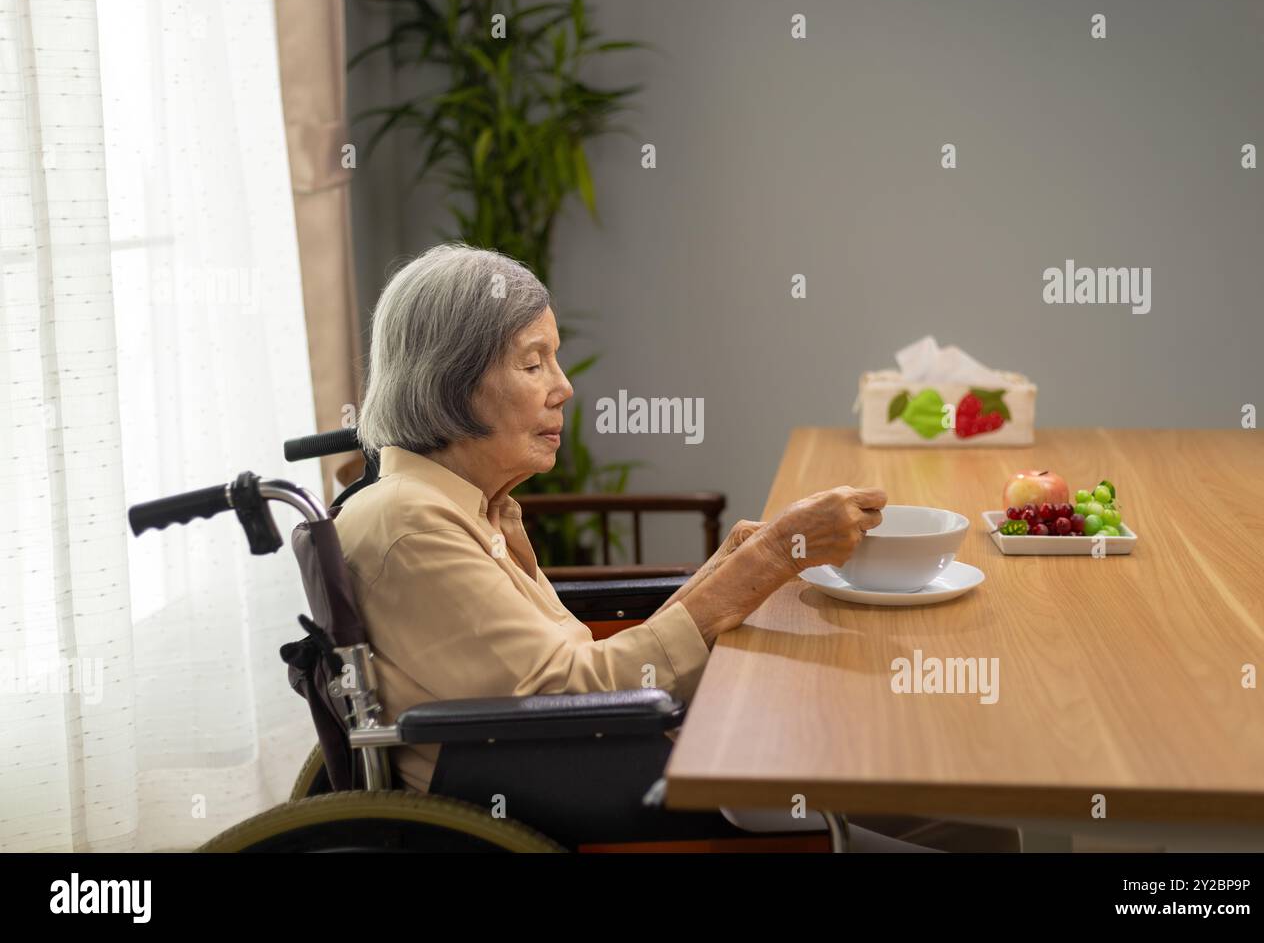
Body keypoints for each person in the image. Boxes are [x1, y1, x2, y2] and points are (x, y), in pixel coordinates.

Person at [334, 242, 1018, 852]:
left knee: (944, 802)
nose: (564, 387)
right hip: (578, 785)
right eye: (532, 362)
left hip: (597, 751)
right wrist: (771, 559)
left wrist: (734, 570)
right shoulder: (415, 527)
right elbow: (578, 691)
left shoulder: (465, 503)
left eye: (556, 359)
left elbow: (568, 667)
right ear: (452, 378)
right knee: (936, 805)